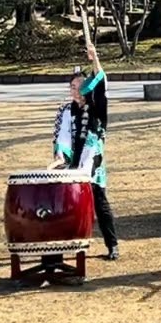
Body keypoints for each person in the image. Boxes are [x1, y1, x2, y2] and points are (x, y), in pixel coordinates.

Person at [50, 44, 120, 261]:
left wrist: (95, 58)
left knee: (99, 201)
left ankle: (112, 245)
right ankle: (59, 248)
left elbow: (101, 80)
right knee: (65, 204)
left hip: (93, 163)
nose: (75, 90)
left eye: (80, 86)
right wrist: (60, 157)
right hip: (71, 164)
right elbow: (61, 137)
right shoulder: (65, 110)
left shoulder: (97, 106)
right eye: (72, 87)